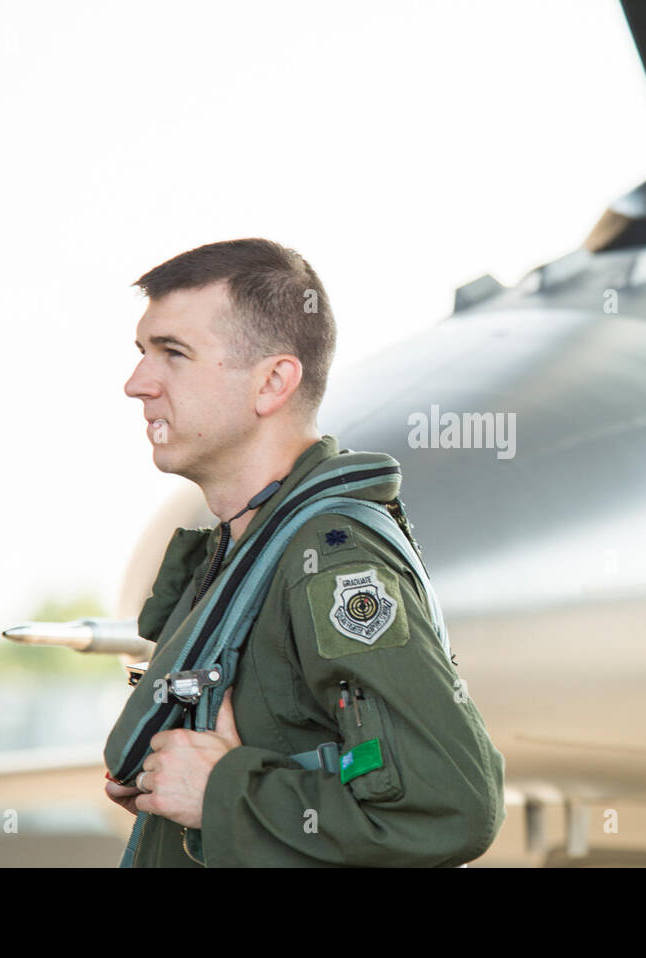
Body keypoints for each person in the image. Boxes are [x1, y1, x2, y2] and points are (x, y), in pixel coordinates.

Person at [103, 238, 505, 866]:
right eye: (141, 353)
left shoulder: (332, 558)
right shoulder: (241, 551)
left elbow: (451, 804)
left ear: (272, 382)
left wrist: (224, 794)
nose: (136, 384)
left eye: (173, 354)